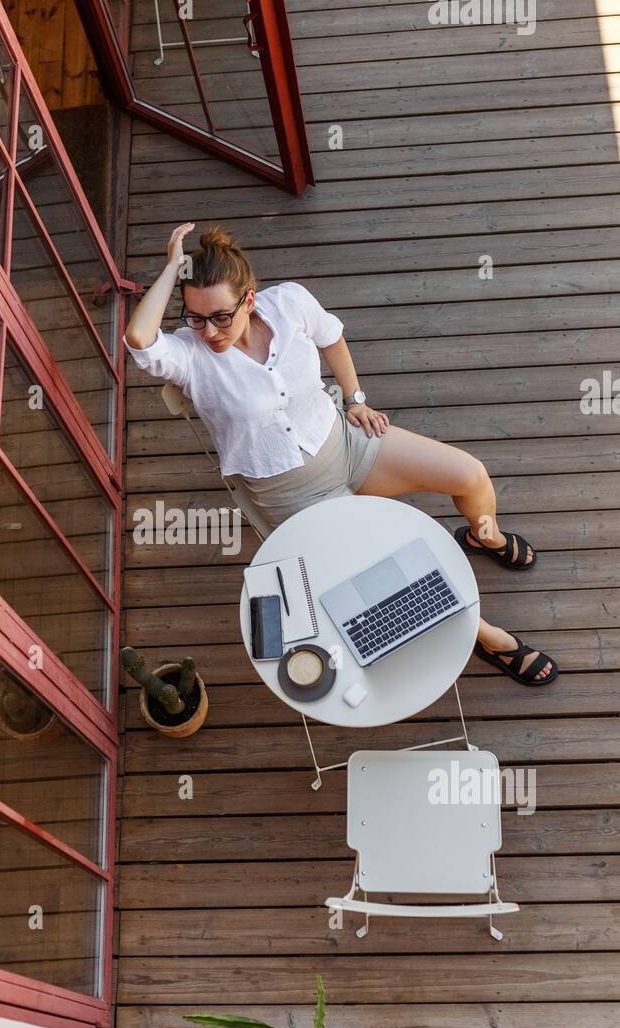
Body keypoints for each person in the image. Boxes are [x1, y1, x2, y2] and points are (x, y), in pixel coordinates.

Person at [123, 222, 558, 686]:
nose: (209, 330)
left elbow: (330, 336)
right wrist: (173, 266)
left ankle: (482, 537)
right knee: (395, 578)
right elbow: (139, 338)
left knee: (470, 475)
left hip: (342, 441)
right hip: (289, 491)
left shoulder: (288, 303)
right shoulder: (189, 355)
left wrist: (354, 398)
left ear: (249, 299)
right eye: (195, 317)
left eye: (221, 316)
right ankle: (489, 638)